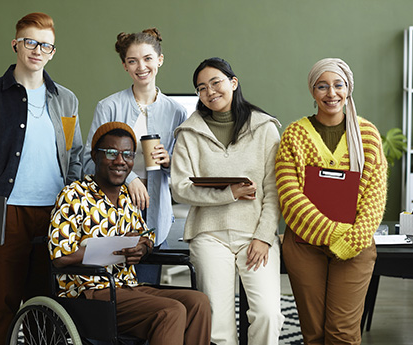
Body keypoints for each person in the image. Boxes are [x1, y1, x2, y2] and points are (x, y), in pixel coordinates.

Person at [0, 12, 83, 345]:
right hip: (4, 214)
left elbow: (74, 158)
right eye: (30, 42)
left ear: (53, 52)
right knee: (5, 307)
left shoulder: (66, 101)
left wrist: (71, 209)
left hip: (55, 216)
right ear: (16, 44)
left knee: (52, 306)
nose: (37, 50)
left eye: (46, 45)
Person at [49, 121, 211, 345]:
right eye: (111, 153)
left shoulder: (127, 198)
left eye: (127, 154)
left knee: (198, 302)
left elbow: (145, 237)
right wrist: (105, 251)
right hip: (91, 292)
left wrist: (140, 249)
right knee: (170, 311)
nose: (120, 161)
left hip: (129, 287)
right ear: (95, 156)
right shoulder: (73, 196)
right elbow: (60, 257)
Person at [171, 57, 284, 345]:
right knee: (217, 322)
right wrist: (229, 194)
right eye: (201, 88)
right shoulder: (188, 133)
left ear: (233, 83)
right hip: (209, 235)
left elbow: (274, 191)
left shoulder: (265, 128)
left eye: (215, 82)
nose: (210, 91)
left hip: (255, 236)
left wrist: (263, 237)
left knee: (268, 315)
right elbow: (180, 189)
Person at [275, 58, 387, 345]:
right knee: (313, 333)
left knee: (343, 333)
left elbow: (374, 197)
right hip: (304, 246)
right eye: (322, 86)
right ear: (312, 91)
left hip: (356, 244)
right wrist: (337, 233)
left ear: (348, 88)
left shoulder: (368, 135)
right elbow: (290, 197)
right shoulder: (295, 135)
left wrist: (353, 238)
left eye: (338, 85)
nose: (331, 93)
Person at [81, 28, 188, 284]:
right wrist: (130, 179)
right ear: (124, 66)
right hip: (109, 210)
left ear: (160, 60)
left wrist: (169, 162)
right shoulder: (109, 106)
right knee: (110, 289)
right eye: (133, 60)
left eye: (148, 58)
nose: (142, 66)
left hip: (153, 211)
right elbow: (88, 159)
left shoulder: (177, 112)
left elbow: (184, 170)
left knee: (147, 288)